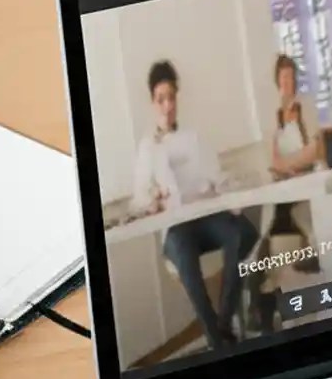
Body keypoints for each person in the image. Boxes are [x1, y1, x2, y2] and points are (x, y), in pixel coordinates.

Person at [130, 60, 259, 349]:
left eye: (171, 98)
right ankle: (219, 342)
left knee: (244, 232)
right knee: (183, 252)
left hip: (204, 218)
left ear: (177, 98)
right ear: (153, 102)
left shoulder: (192, 137)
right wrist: (154, 199)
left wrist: (228, 189)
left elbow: (214, 175)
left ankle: (221, 325)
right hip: (175, 228)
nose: (167, 106)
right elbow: (139, 198)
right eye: (161, 99)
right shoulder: (147, 147)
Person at [265, 55, 322, 276]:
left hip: (309, 176)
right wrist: (284, 167)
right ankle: (265, 275)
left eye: (291, 77)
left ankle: (313, 249)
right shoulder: (276, 115)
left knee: (292, 210)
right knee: (270, 217)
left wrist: (290, 163)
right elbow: (274, 159)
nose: (288, 81)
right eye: (284, 77)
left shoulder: (305, 106)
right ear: (277, 81)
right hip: (287, 181)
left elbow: (315, 149)